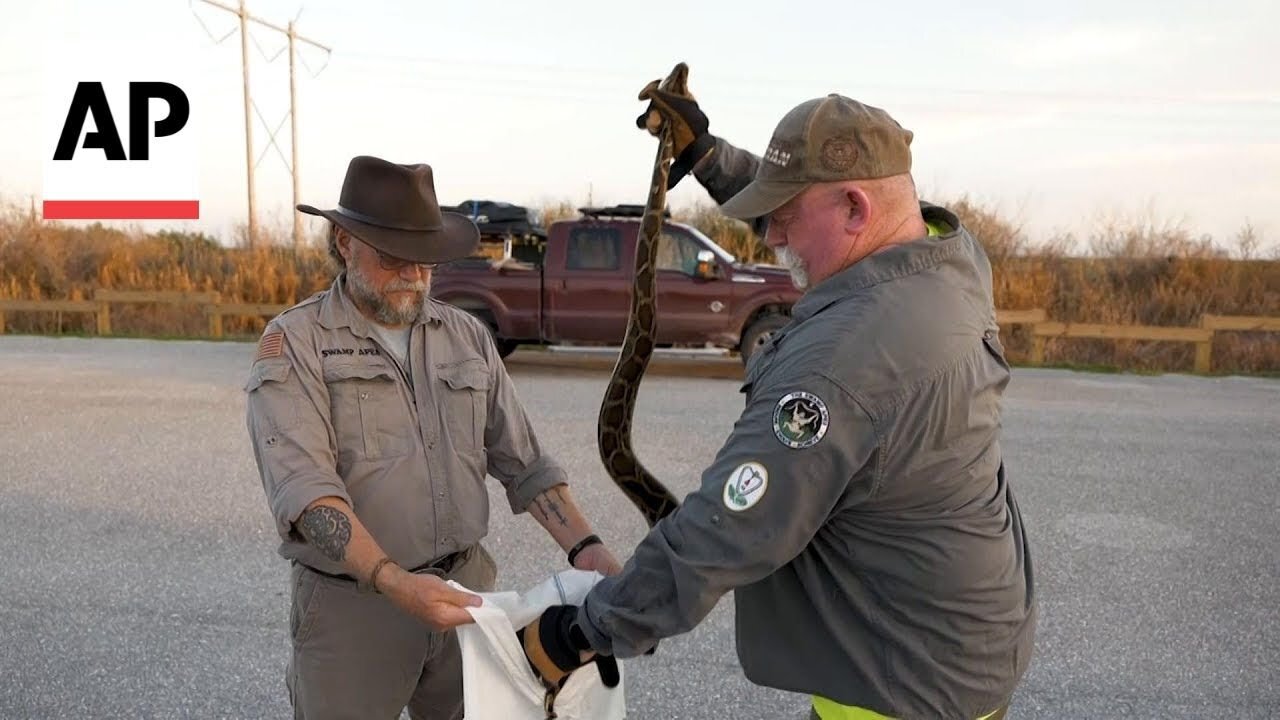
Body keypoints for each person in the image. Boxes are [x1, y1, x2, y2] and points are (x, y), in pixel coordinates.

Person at [518, 78, 1038, 719]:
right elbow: (820, 199)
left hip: (899, 689)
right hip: (964, 643)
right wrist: (709, 156)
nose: (770, 238)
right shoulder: (950, 259)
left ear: (854, 208)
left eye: (786, 217)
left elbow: (724, 530)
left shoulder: (843, 361)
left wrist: (579, 631)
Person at [244, 155, 622, 720]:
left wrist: (586, 549)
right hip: (356, 607)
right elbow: (306, 492)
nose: (413, 275)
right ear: (344, 242)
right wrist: (393, 581)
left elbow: (526, 463)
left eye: (426, 261)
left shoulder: (466, 336)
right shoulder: (296, 344)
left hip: (467, 595)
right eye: (393, 257)